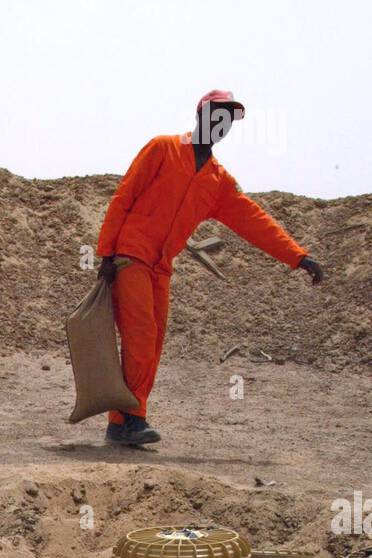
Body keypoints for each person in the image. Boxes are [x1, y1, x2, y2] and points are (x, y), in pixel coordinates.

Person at [96, 91, 324, 446]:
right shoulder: (162, 148)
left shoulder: (218, 182)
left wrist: (298, 256)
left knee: (152, 343)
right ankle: (130, 418)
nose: (222, 123)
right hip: (130, 255)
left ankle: (122, 423)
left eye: (229, 120)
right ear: (201, 114)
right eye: (218, 114)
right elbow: (123, 196)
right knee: (140, 336)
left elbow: (254, 220)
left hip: (161, 267)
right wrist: (106, 254)